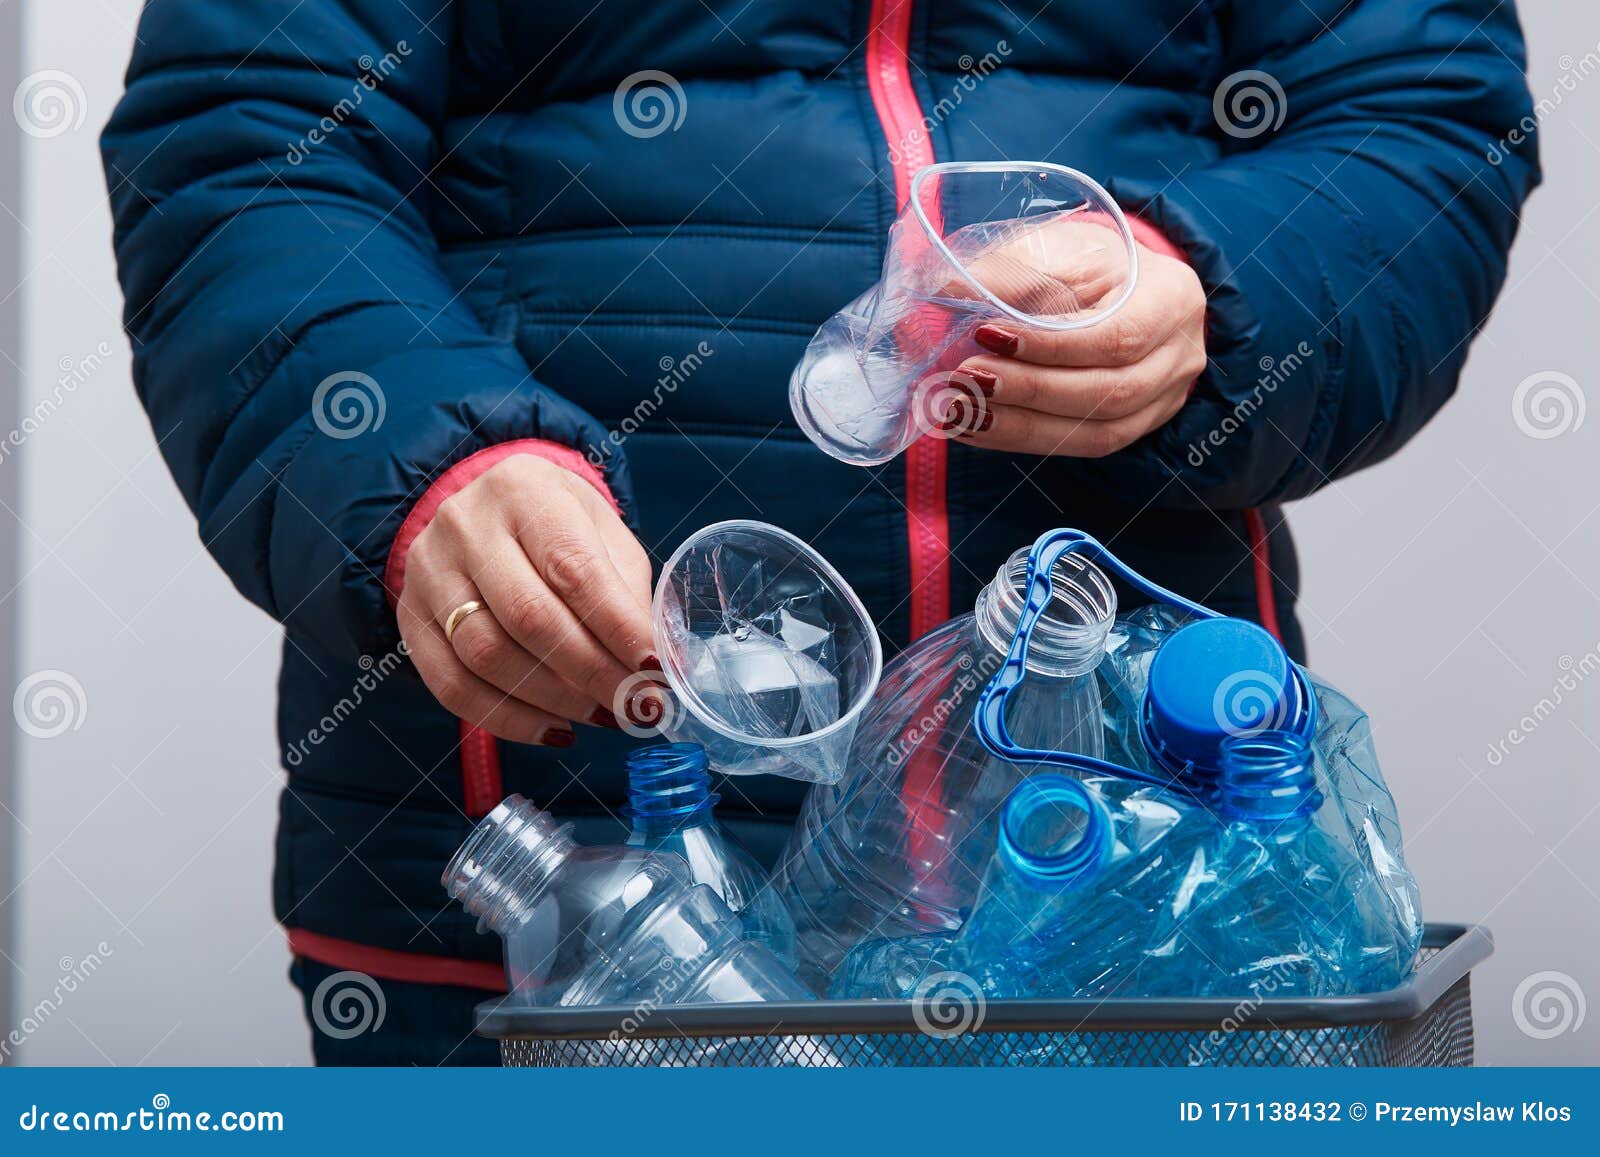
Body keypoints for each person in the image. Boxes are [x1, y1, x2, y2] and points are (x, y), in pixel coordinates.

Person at [100, 0, 1538, 1065]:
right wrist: (417, 460)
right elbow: (253, 144)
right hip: (541, 903)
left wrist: (1216, 295)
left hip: (1138, 887)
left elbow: (1418, 110)